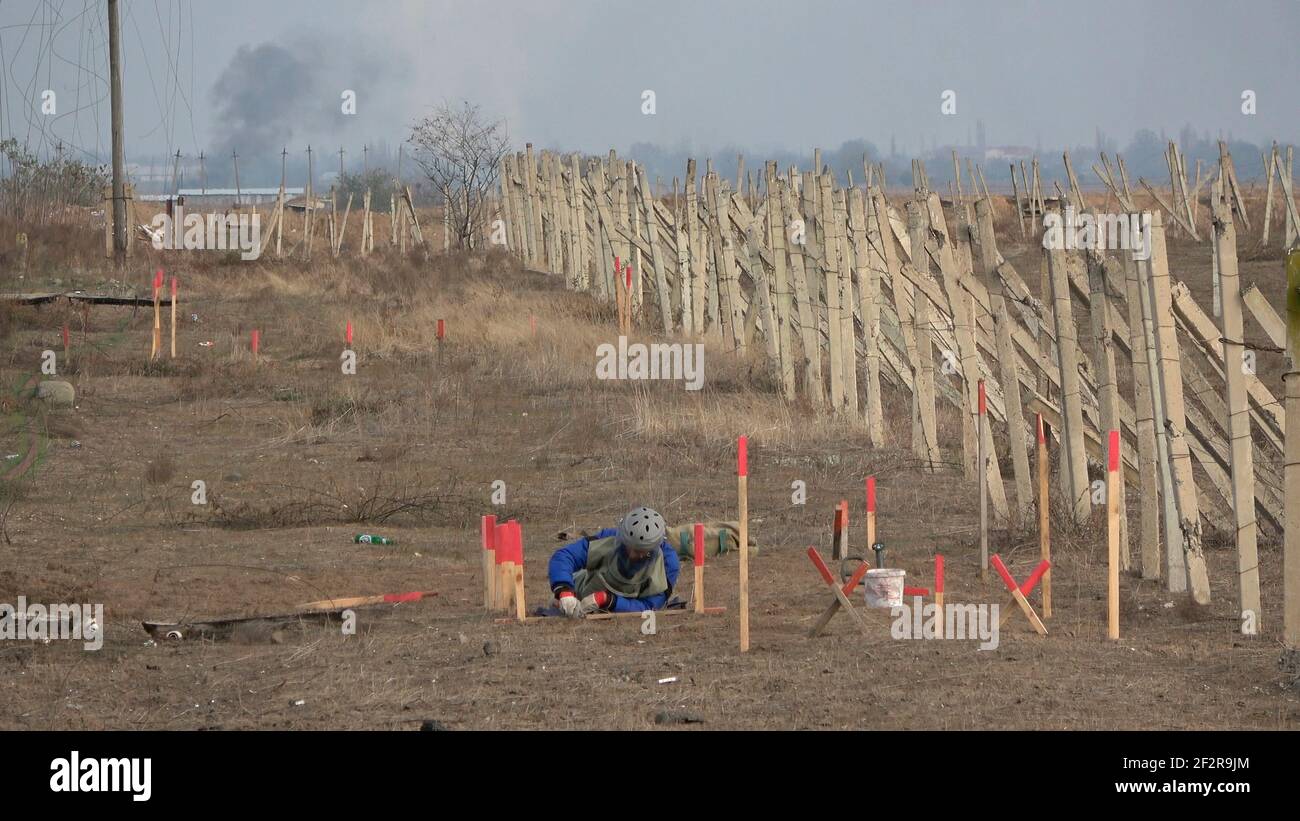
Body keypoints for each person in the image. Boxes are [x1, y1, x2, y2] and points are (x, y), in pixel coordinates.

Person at [548, 506, 680, 617]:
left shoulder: (668, 564)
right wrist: (565, 590)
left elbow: (650, 605)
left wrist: (608, 600)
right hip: (582, 590)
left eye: (640, 551)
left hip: (624, 605)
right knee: (558, 604)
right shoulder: (608, 538)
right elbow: (565, 556)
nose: (633, 555)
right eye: (629, 547)